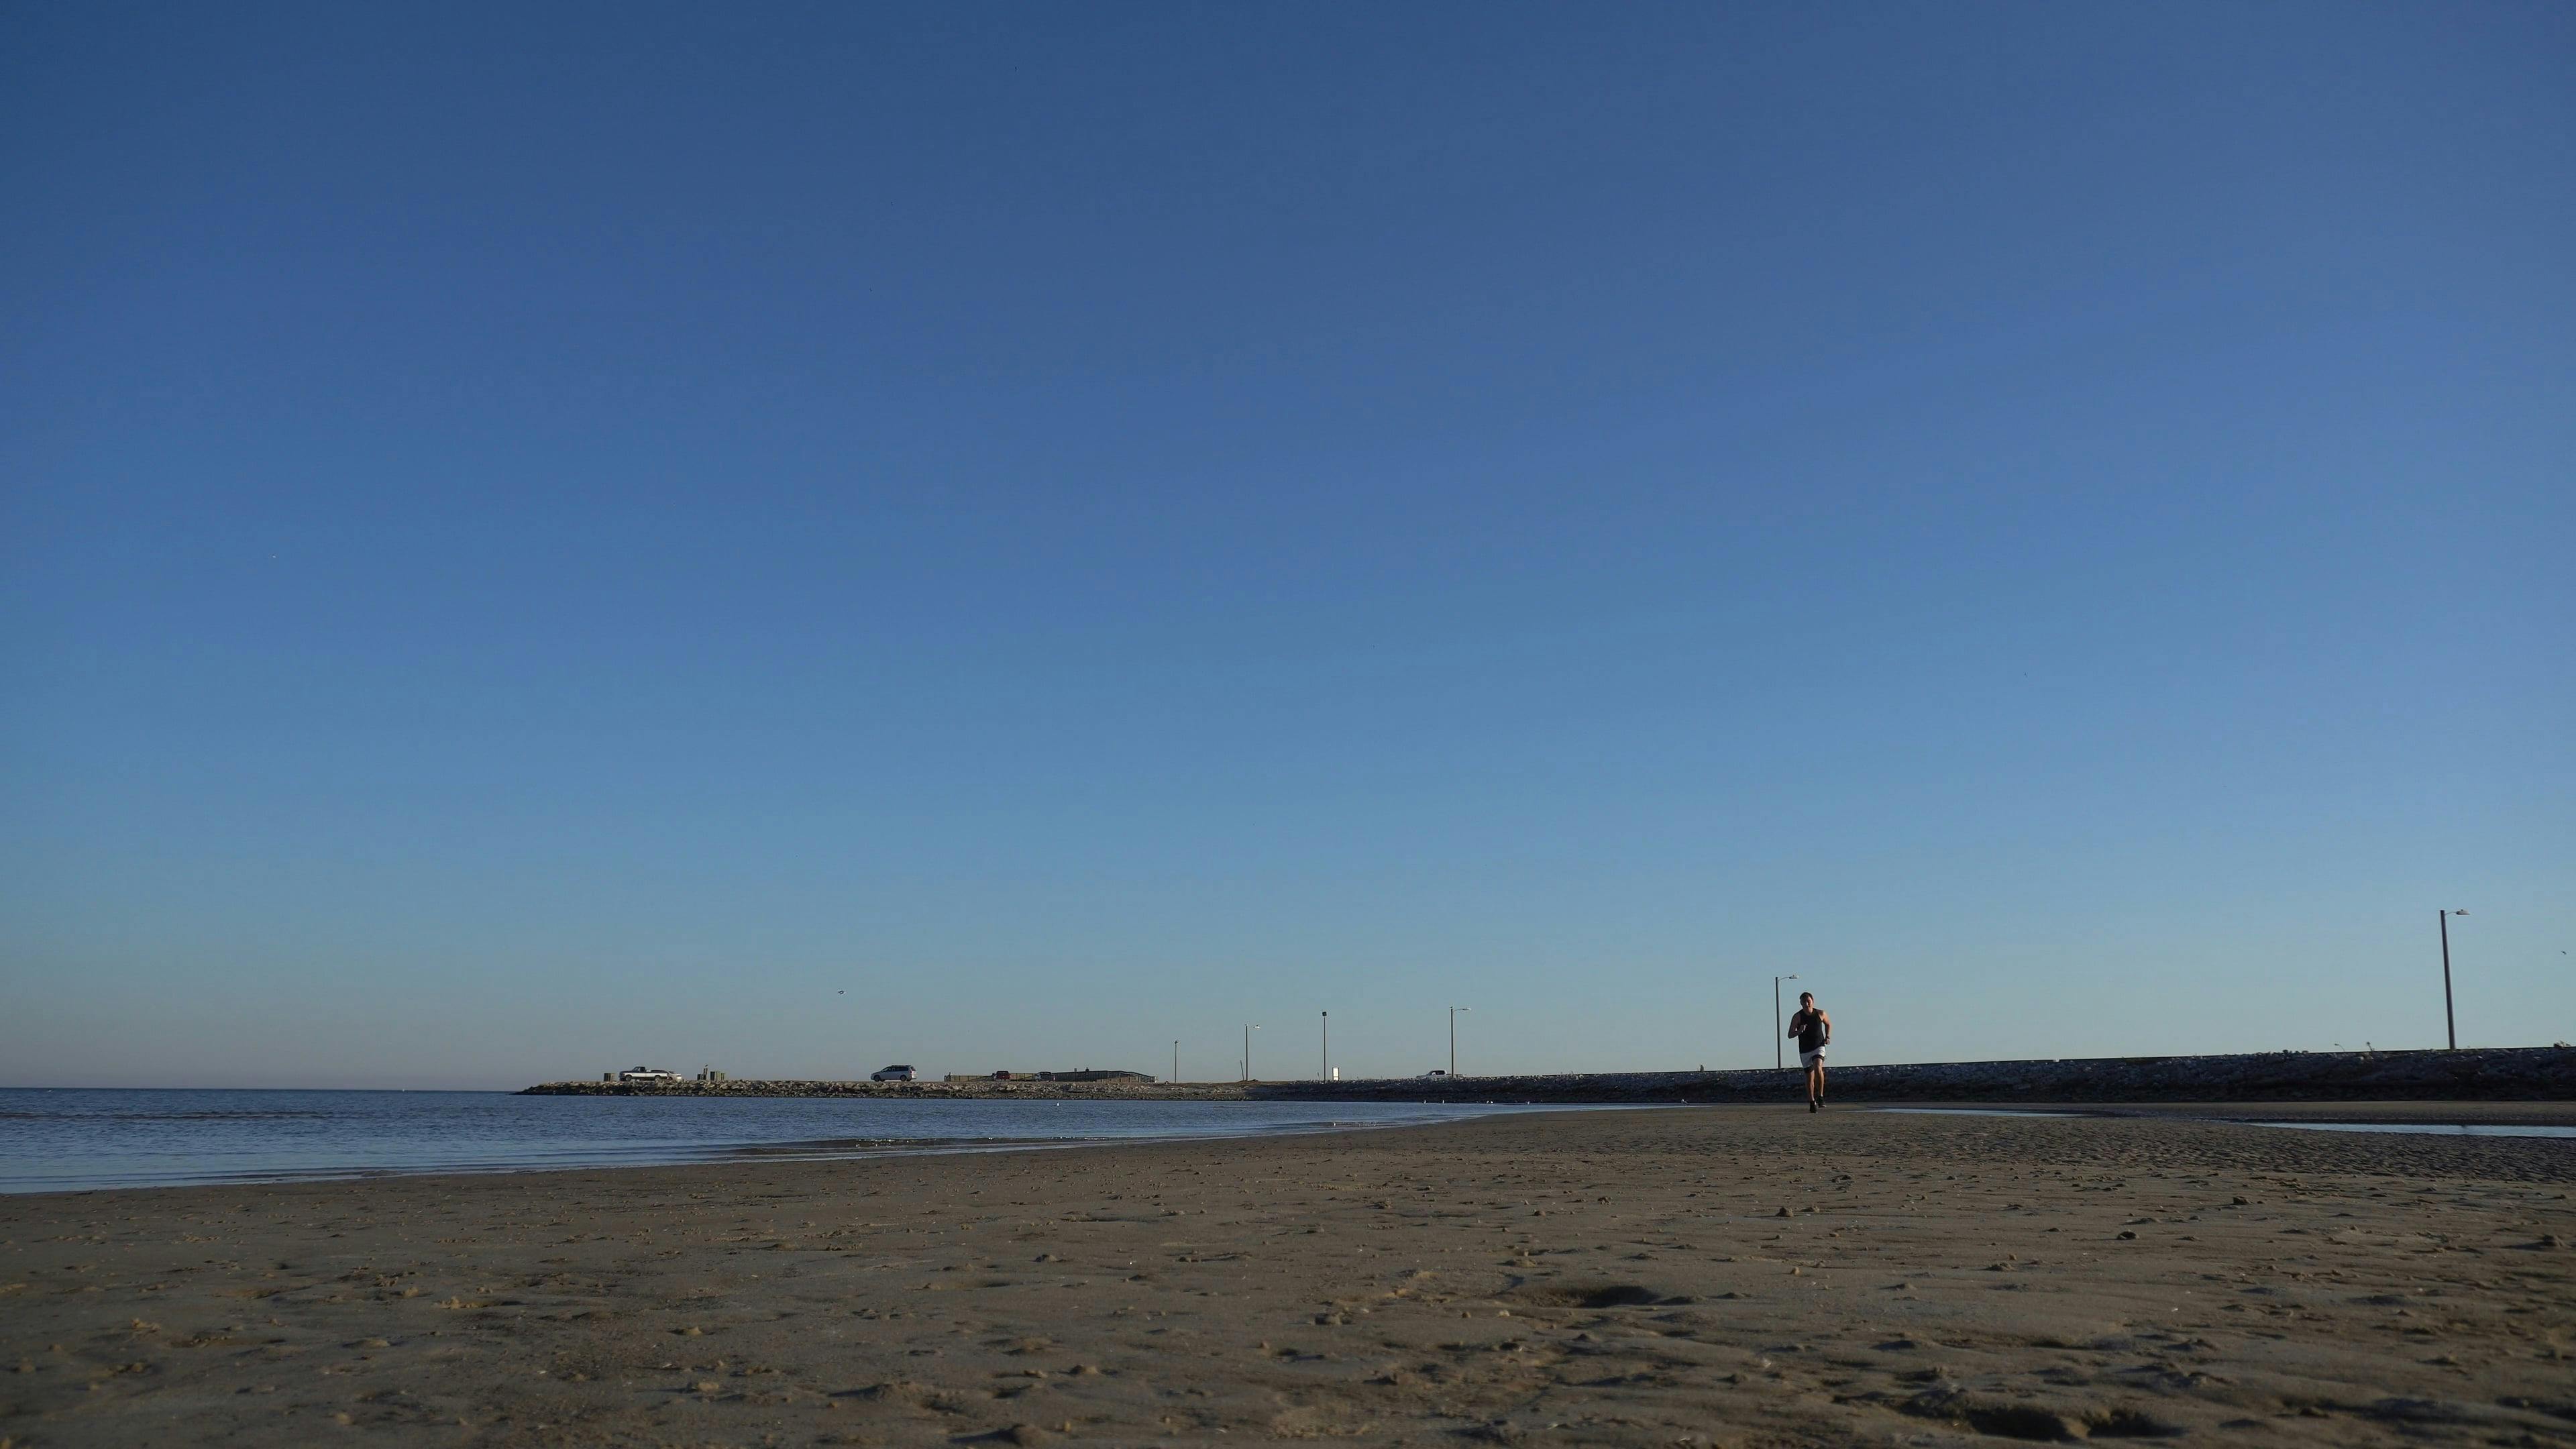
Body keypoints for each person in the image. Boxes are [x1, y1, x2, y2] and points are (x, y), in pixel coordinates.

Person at [1786, 991, 1831, 1111]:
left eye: (1808, 1001)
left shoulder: (1820, 1013)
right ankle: (1812, 1101)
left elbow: (1828, 1024)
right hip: (1805, 1049)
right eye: (1803, 1002)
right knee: (1809, 1077)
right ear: (1800, 1004)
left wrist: (1827, 1036)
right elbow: (1790, 1035)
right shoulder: (1798, 1016)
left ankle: (1820, 1096)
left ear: (1813, 1001)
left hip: (1819, 1046)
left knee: (1818, 1067)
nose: (1806, 1004)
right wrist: (1799, 1031)